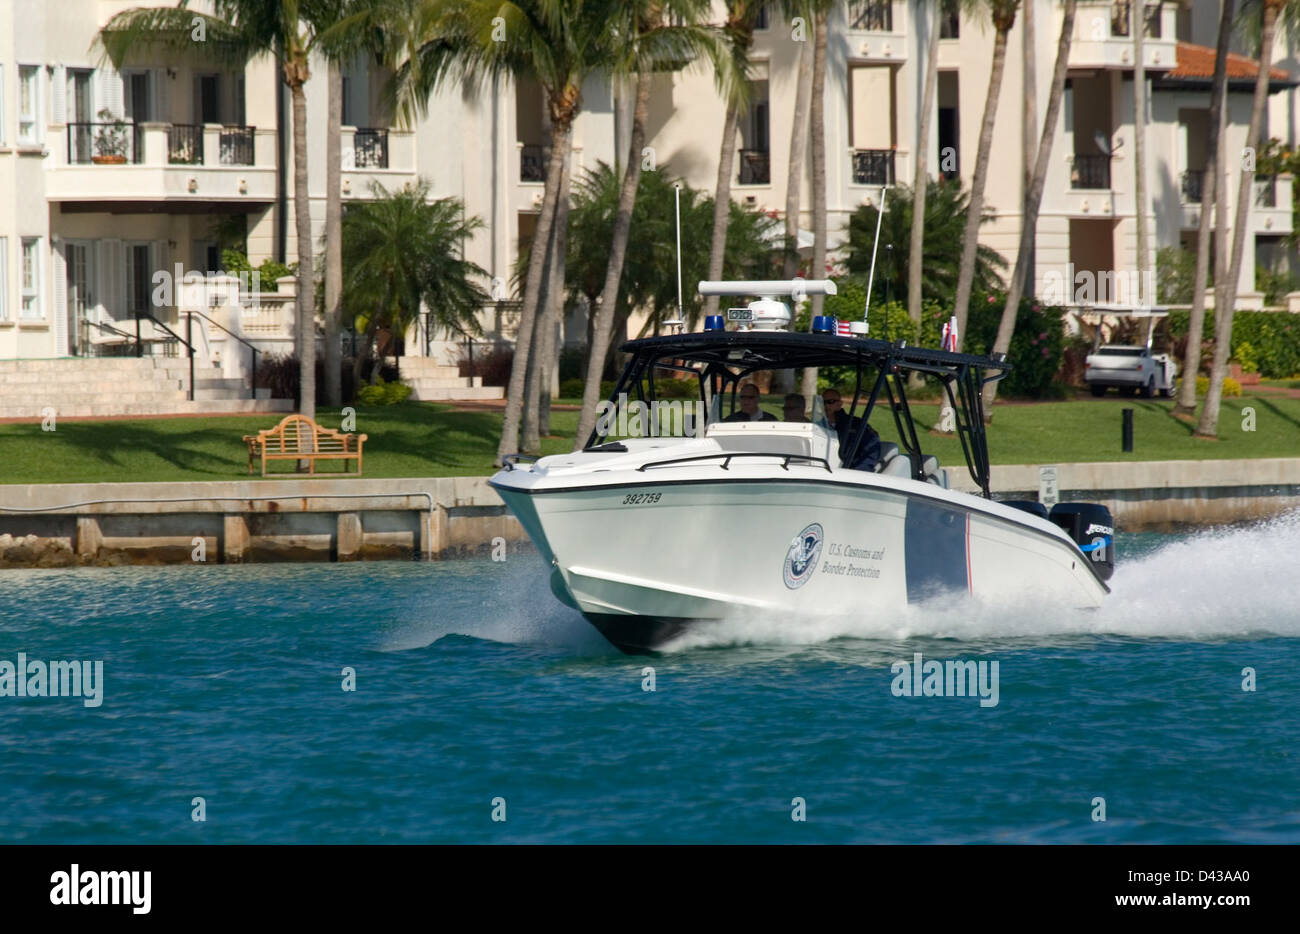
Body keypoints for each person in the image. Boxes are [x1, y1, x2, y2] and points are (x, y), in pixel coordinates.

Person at [822, 389, 882, 471]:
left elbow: (872, 448)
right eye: (822, 402)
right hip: (822, 470)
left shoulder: (857, 424)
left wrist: (858, 471)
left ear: (840, 403)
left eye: (830, 401)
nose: (826, 405)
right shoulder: (817, 426)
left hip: (850, 473)